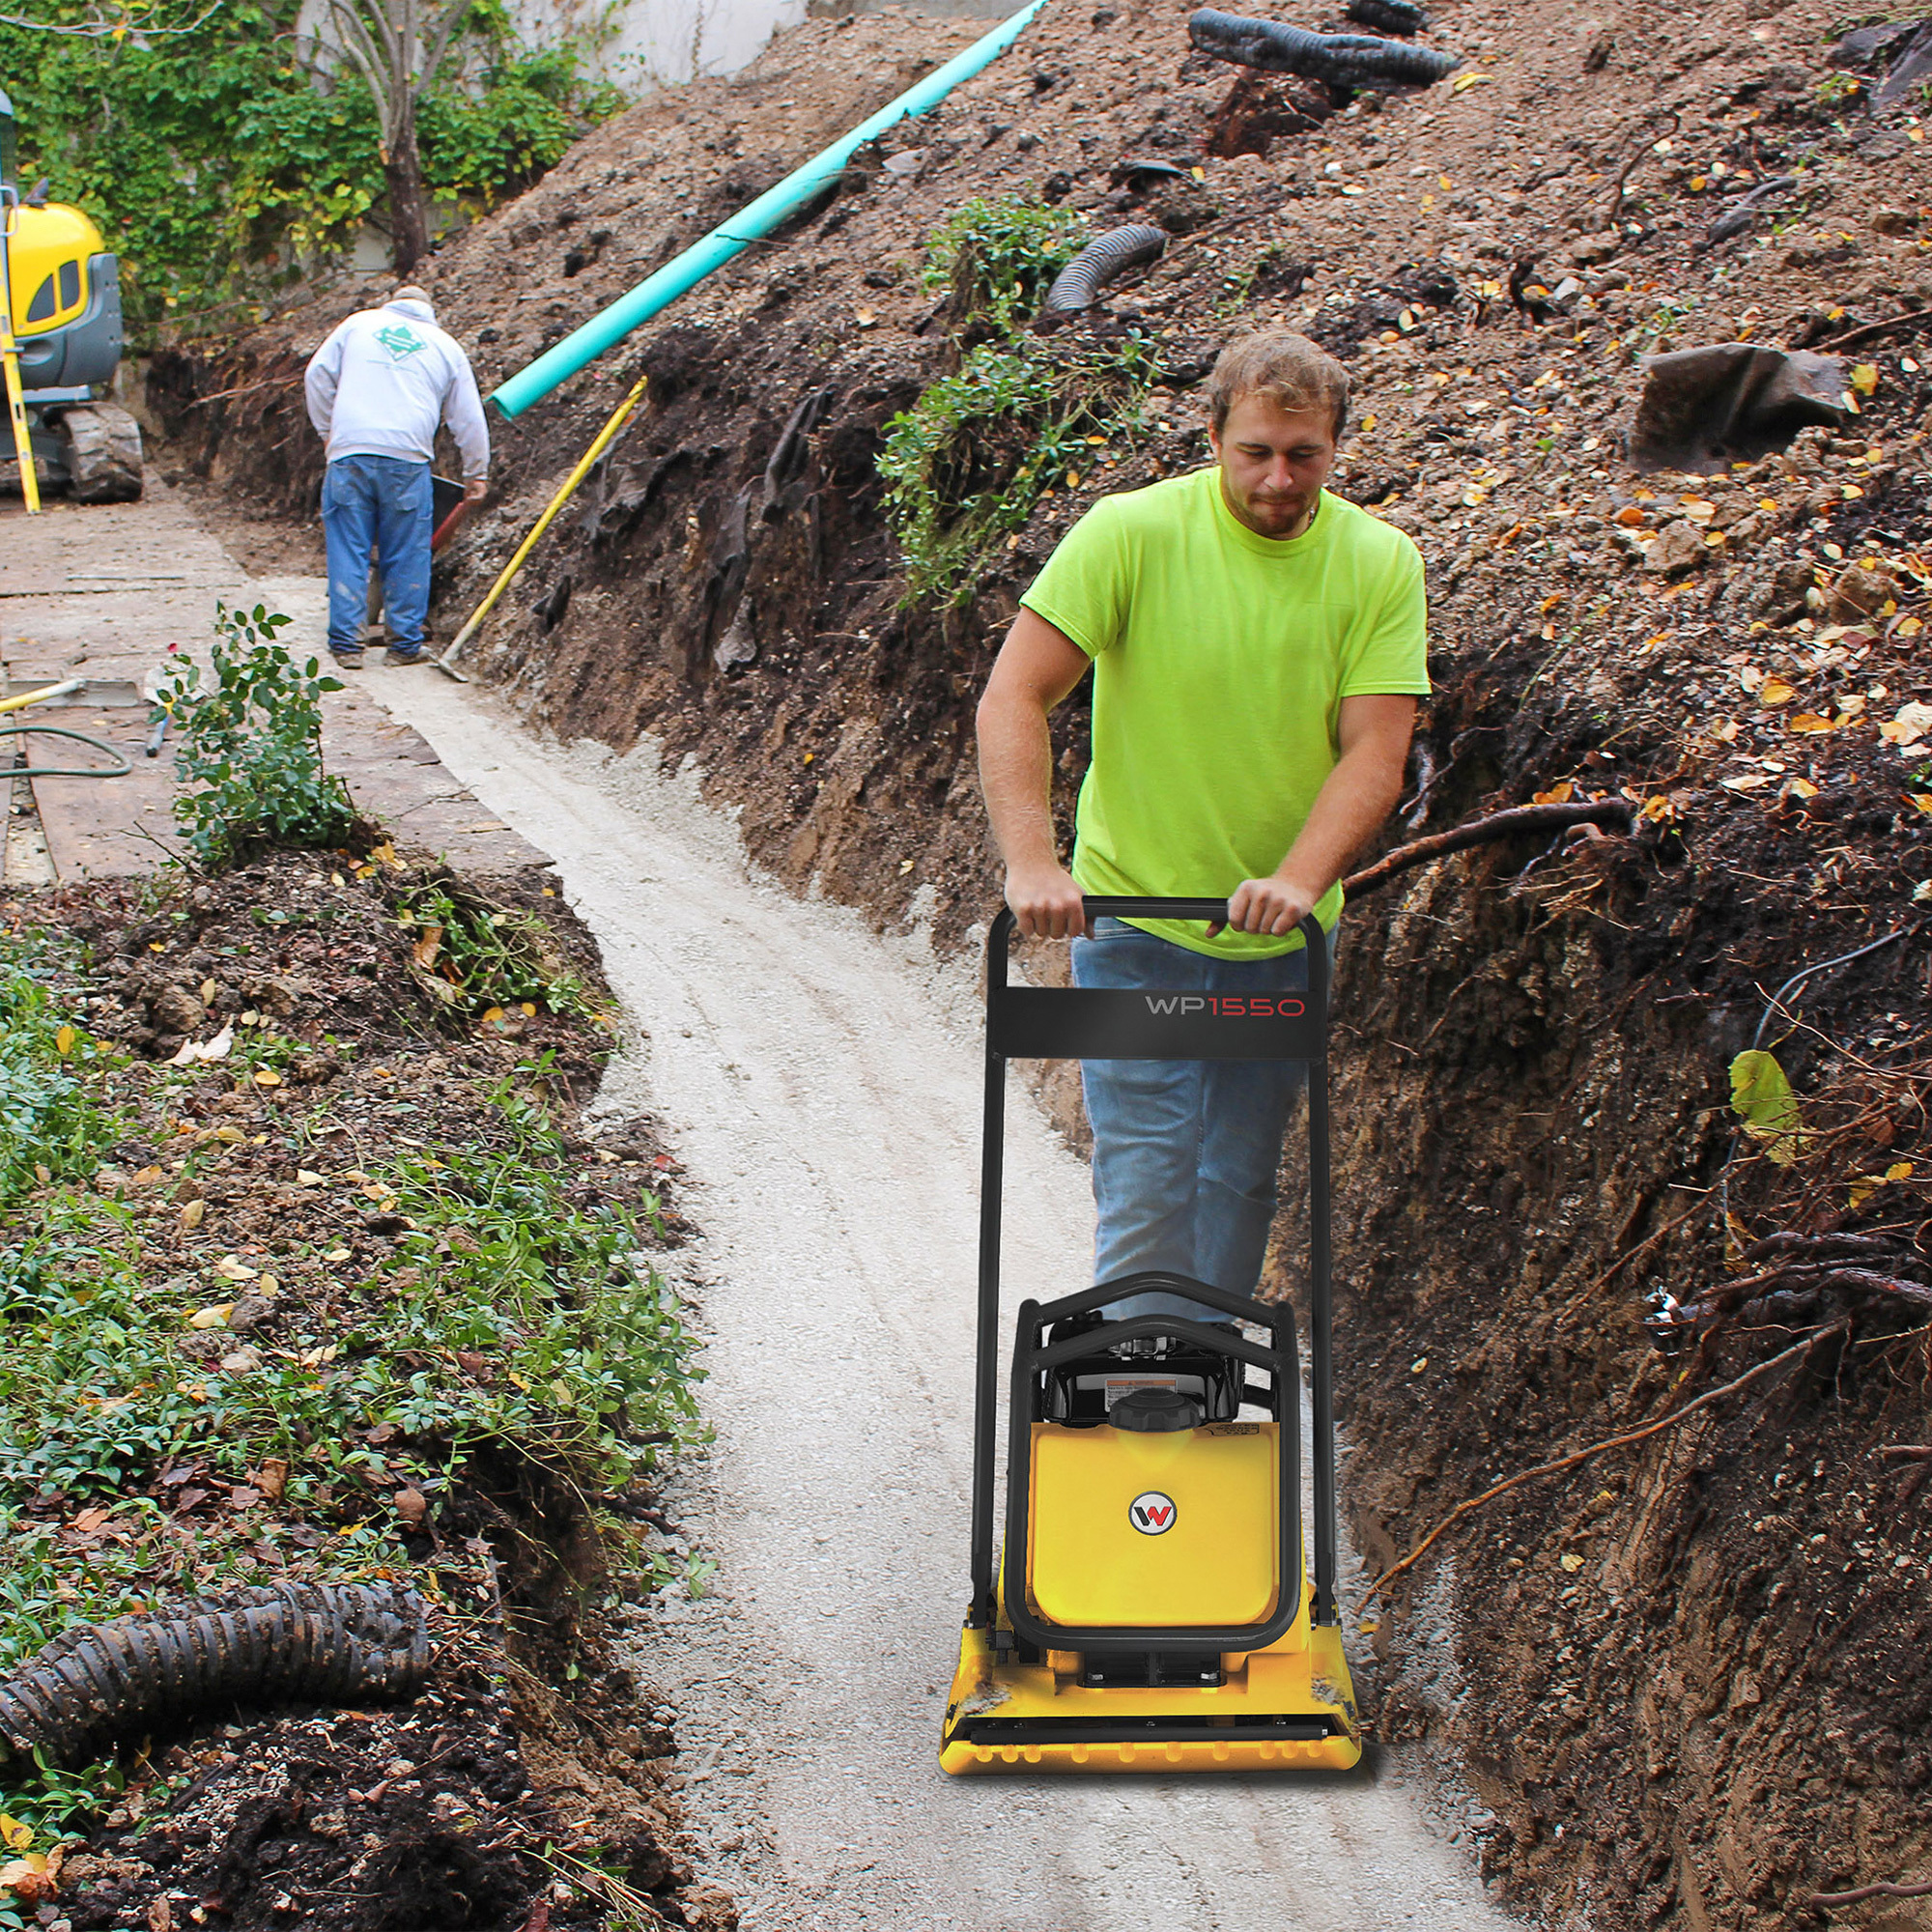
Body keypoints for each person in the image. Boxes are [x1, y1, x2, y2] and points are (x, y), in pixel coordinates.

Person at [976, 327, 1428, 1318]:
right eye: (1254, 451)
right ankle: (1140, 1390)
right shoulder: (1128, 534)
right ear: (1212, 434)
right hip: (1136, 915)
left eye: (1302, 455)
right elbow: (1015, 696)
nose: (1277, 478)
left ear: (1335, 449)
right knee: (1146, 1165)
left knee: (1236, 1172)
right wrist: (1031, 862)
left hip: (1280, 931)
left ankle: (1205, 1371)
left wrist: (1301, 880)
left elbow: (1373, 751)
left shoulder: (1377, 564)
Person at [303, 284, 491, 668]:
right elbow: (468, 416)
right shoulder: (444, 345)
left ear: (391, 302)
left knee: (348, 545)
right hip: (407, 458)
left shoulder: (358, 325)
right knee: (407, 549)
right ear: (429, 311)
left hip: (350, 452)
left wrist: (329, 433)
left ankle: (346, 646)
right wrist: (477, 470)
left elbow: (317, 377)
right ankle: (403, 645)